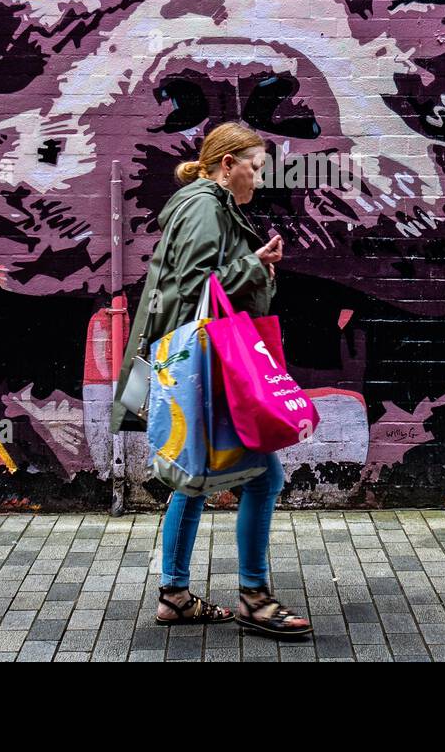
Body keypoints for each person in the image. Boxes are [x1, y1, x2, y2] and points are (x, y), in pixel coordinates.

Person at [110, 121, 313, 638]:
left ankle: (176, 596)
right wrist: (252, 266)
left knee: (194, 474)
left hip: (199, 364)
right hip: (206, 362)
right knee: (263, 478)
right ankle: (253, 597)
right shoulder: (205, 205)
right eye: (254, 168)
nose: (257, 180)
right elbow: (195, 285)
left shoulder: (207, 203)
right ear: (228, 165)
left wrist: (252, 264)